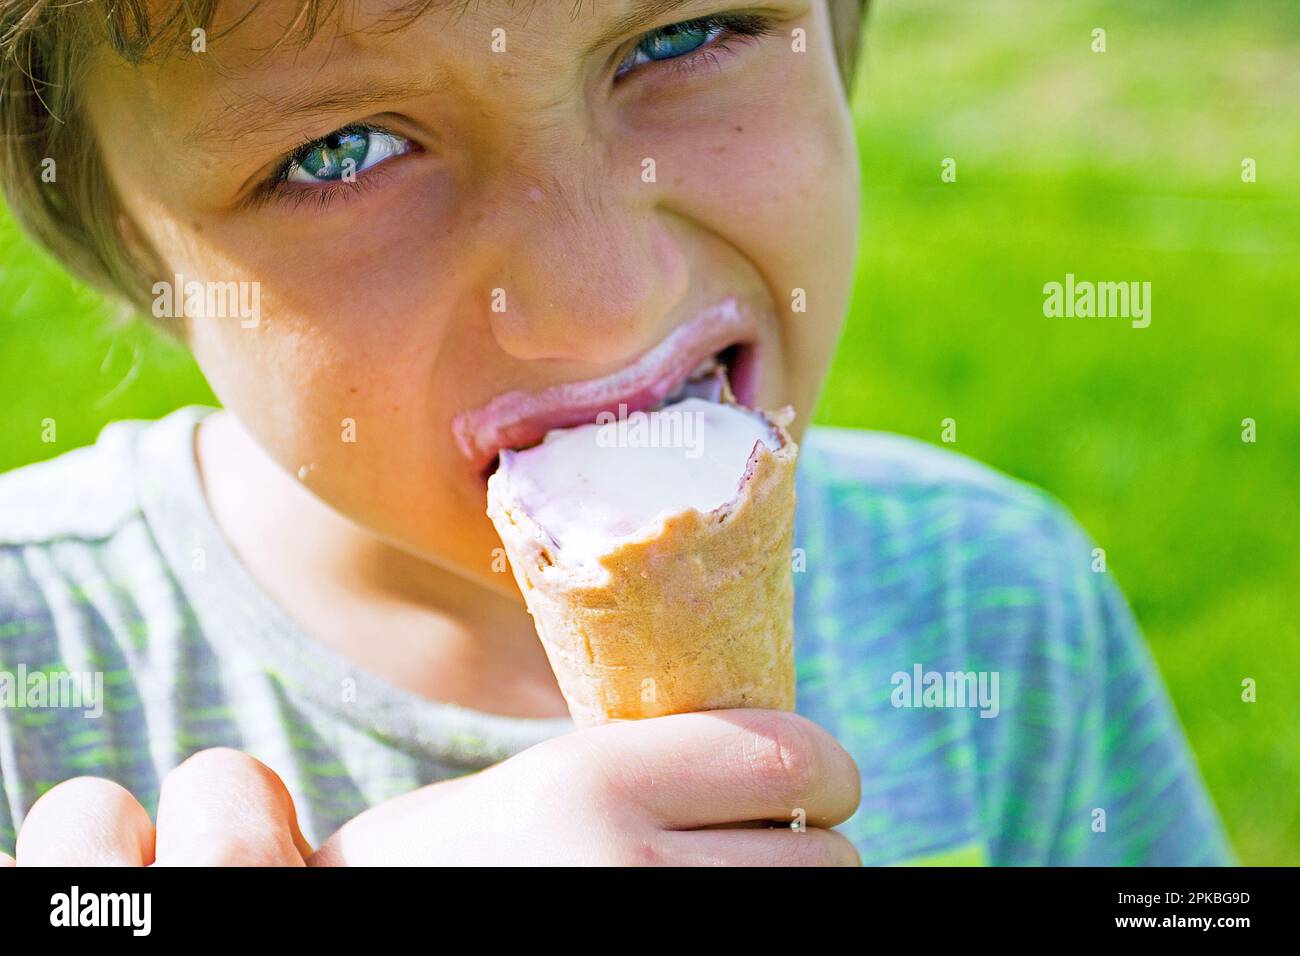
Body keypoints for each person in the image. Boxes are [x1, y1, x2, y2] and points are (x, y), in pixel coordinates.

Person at [0, 0, 1230, 865]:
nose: (602, 298)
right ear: (130, 249)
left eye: (680, 37)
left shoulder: (993, 602)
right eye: (342, 151)